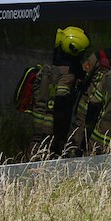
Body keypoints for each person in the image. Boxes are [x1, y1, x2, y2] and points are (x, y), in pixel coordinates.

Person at [23, 26, 89, 157]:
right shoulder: (68, 75)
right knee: (47, 158)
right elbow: (61, 97)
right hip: (52, 129)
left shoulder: (47, 70)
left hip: (38, 125)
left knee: (35, 153)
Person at [72, 22, 111, 147]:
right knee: (79, 139)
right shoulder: (99, 57)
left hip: (106, 112)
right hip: (86, 109)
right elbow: (81, 78)